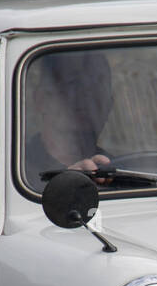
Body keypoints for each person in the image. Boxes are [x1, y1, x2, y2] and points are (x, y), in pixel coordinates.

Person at [25, 50, 114, 187]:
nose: (88, 95)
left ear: (110, 102)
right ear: (41, 99)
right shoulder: (17, 173)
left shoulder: (119, 169)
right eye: (75, 83)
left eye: (99, 85)